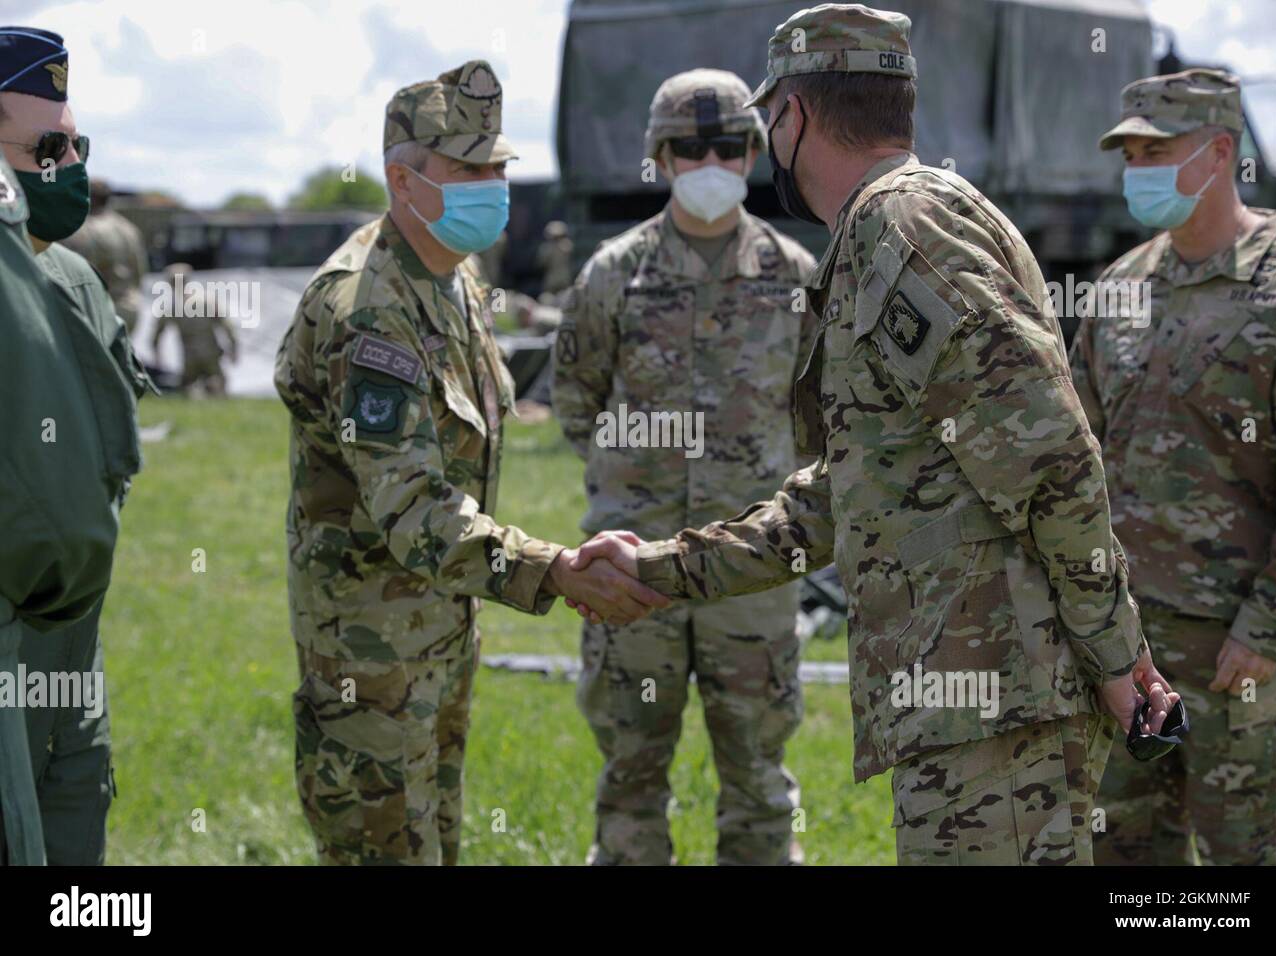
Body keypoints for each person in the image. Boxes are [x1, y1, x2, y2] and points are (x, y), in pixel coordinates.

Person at [571, 3, 1179, 866]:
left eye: (764, 119)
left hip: (992, 706)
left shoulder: (901, 229)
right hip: (966, 702)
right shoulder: (891, 227)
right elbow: (846, 488)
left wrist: (1121, 663)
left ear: (792, 117)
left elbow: (1048, 453)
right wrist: (663, 568)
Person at [273, 60, 668, 866]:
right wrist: (552, 569)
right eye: (468, 168)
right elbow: (413, 505)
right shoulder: (366, 309)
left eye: (498, 166)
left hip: (441, 633)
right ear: (402, 180)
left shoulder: (451, 280)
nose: (493, 184)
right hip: (370, 655)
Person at [552, 68, 818, 865]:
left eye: (729, 145)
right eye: (690, 147)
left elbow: (819, 415)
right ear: (660, 158)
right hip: (633, 575)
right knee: (630, 781)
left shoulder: (796, 278)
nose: (711, 161)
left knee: (760, 782)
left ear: (752, 152)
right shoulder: (612, 275)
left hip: (753, 576)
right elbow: (576, 403)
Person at [1073, 68, 1276, 866]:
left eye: (1156, 151)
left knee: (1244, 855)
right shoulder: (1118, 290)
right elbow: (1078, 467)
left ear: (1219, 152)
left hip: (1238, 650)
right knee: (1126, 854)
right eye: (1129, 154)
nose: (1139, 171)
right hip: (1127, 652)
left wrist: (1269, 629)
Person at [0, 25, 149, 866]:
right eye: (47, 146)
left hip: (70, 660)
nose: (70, 164)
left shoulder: (74, 278)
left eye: (76, 143)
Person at [62, 177, 149, 331]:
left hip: (102, 312)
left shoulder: (84, 230)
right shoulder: (128, 228)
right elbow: (140, 271)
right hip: (130, 308)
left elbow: (77, 277)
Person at [150, 262, 239, 397]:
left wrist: (157, 353)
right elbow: (226, 326)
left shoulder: (171, 307)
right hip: (210, 351)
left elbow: (157, 333)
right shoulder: (207, 300)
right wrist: (233, 346)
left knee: (187, 387)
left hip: (189, 354)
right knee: (217, 385)